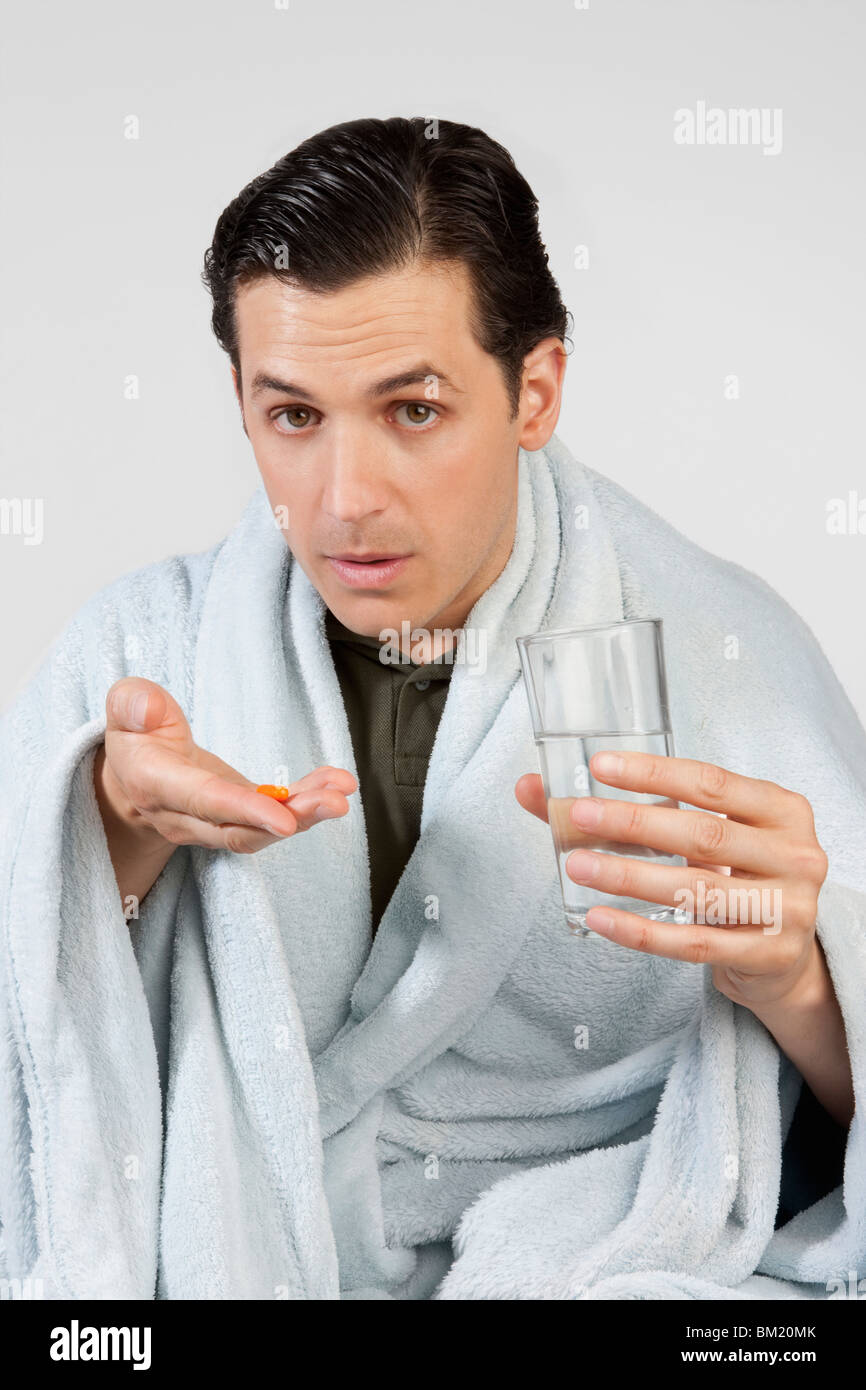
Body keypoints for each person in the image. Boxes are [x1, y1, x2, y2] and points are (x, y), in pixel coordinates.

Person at [0, 117, 861, 1301]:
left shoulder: (717, 652)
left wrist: (804, 984)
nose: (345, 500)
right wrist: (109, 841)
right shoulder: (147, 656)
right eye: (293, 416)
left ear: (534, 390)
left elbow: (820, 1164)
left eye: (411, 410)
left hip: (592, 1266)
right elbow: (33, 1097)